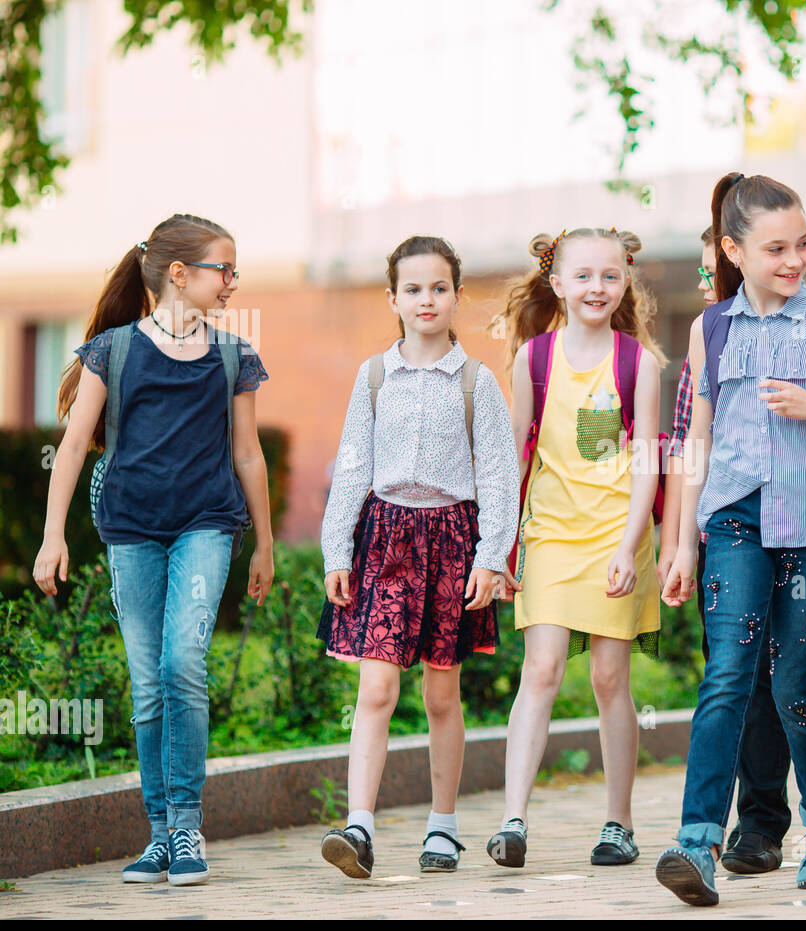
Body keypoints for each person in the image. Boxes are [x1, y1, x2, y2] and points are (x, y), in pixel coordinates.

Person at [33, 214, 273, 887]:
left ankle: (188, 826)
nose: (232, 281)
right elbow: (75, 445)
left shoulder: (234, 356)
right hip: (132, 529)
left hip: (206, 524)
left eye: (234, 270)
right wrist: (54, 536)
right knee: (147, 686)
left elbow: (248, 455)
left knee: (182, 661)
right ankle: (160, 832)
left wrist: (265, 544)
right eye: (222, 268)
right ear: (178, 273)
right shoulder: (112, 350)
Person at [657, 173, 806, 906]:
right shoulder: (710, 327)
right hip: (733, 520)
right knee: (726, 676)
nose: (794, 260)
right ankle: (696, 841)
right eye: (776, 247)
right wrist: (684, 542)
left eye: (802, 244)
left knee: (793, 684)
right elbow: (696, 437)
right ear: (732, 250)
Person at [317, 236, 518, 877]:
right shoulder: (374, 376)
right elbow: (351, 466)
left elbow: (499, 478)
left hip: (453, 545)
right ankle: (359, 827)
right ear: (393, 299)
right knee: (375, 687)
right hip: (385, 542)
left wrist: (492, 556)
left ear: (456, 295)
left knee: (440, 695)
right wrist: (334, 548)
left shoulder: (475, 382)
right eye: (413, 289)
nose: (426, 299)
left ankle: (442, 825)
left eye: (438, 288)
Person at [488, 228, 663, 868]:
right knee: (541, 668)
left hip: (618, 533)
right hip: (551, 533)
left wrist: (630, 542)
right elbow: (515, 453)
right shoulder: (533, 357)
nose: (598, 288)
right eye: (583, 276)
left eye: (610, 277)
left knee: (610, 678)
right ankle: (513, 820)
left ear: (625, 284)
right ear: (557, 283)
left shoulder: (637, 361)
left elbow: (648, 458)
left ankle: (618, 823)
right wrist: (500, 545)